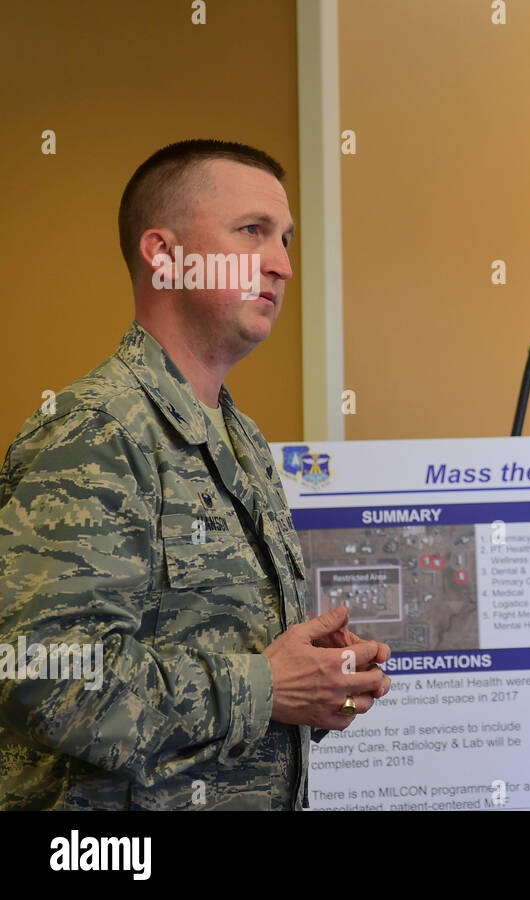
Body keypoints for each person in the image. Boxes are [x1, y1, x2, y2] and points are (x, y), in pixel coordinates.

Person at [0, 140, 391, 810]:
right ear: (163, 255)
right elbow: (40, 678)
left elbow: (237, 673)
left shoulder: (243, 441)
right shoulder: (96, 429)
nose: (282, 265)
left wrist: (317, 680)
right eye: (252, 232)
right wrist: (265, 686)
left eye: (287, 240)